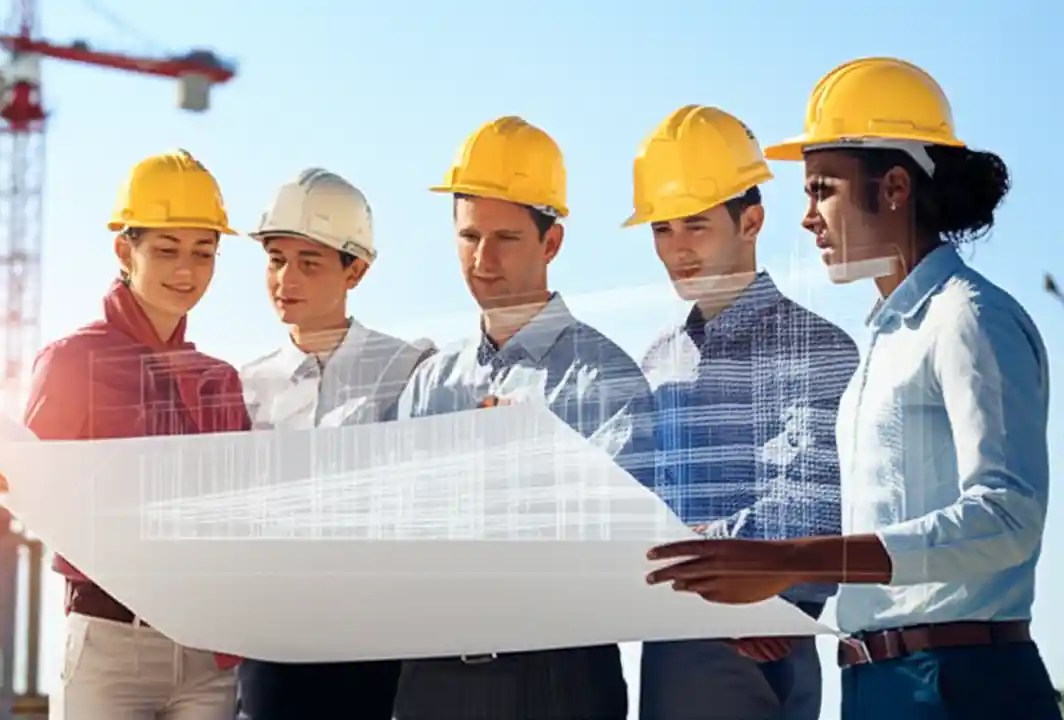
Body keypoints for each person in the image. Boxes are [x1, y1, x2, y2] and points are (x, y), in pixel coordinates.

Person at [646, 57, 1060, 720]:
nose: (807, 218)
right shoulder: (884, 341)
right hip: (876, 683)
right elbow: (877, 527)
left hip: (961, 684)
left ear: (894, 188)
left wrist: (789, 557)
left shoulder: (968, 316)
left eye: (821, 190)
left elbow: (1008, 518)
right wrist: (771, 580)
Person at [390, 115, 658, 720]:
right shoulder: (431, 382)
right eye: (469, 236)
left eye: (506, 238)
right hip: (431, 679)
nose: (483, 258)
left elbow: (622, 540)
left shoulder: (602, 378)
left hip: (556, 678)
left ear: (551, 242)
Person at [0, 149, 249, 720]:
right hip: (108, 645)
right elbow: (29, 487)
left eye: (204, 253)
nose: (187, 271)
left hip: (207, 656)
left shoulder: (218, 380)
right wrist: (2, 476)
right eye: (167, 250)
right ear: (125, 249)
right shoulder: (74, 361)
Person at [626, 104, 860, 720]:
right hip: (674, 642)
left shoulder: (818, 346)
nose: (676, 250)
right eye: (661, 230)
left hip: (772, 640)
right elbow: (634, 513)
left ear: (750, 220)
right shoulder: (655, 362)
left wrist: (706, 569)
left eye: (695, 226)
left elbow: (812, 507)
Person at [233, 167, 435, 720]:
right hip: (272, 651)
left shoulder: (408, 368)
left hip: (373, 651)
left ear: (357, 271)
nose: (285, 279)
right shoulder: (246, 385)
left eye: (309, 263)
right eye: (276, 260)